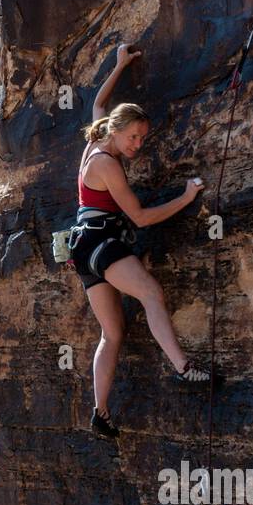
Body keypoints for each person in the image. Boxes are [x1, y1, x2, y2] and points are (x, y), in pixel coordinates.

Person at [71, 43, 216, 439]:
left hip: (83, 250)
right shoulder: (105, 164)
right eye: (134, 137)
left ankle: (100, 412)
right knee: (151, 293)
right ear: (117, 132)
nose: (138, 145)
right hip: (102, 243)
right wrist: (185, 198)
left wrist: (118, 66)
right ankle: (183, 367)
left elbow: (99, 101)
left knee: (112, 334)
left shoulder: (96, 139)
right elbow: (139, 216)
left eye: (142, 138)